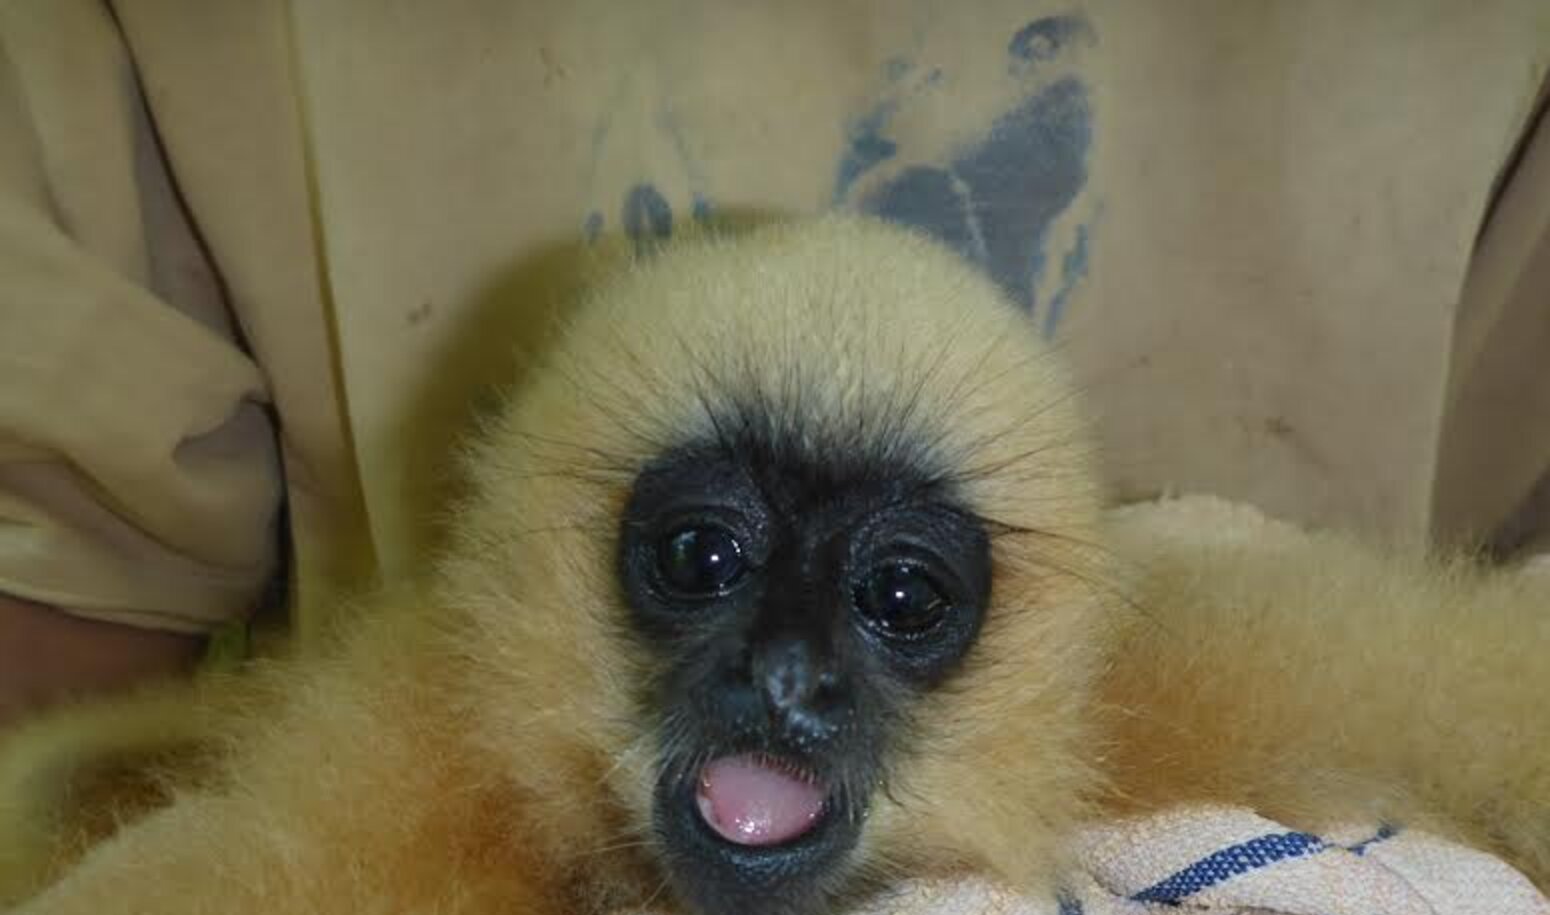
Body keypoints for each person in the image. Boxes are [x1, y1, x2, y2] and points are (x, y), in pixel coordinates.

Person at [3, 0, 1547, 728]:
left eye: (898, 598)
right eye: (697, 554)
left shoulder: (1223, 674)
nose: (787, 672)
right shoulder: (390, 768)